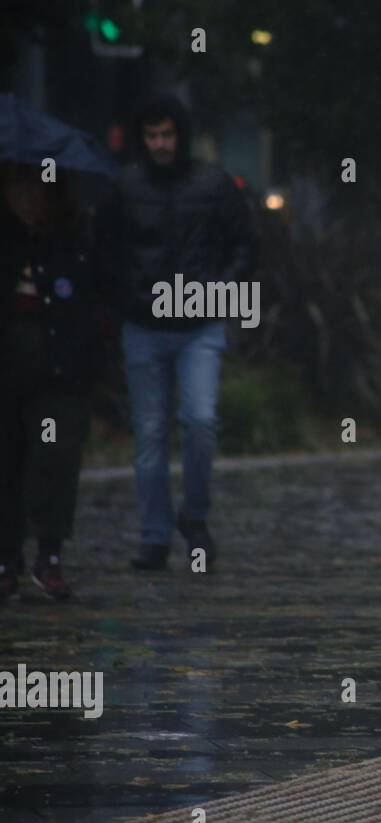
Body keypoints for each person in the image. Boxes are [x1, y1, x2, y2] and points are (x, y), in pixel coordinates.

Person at [101, 94, 257, 571]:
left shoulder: (212, 185)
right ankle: (155, 534)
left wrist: (217, 292)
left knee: (199, 421)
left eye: (166, 135)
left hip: (198, 323)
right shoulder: (124, 188)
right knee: (150, 433)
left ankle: (192, 517)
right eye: (152, 136)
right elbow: (107, 251)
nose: (161, 144)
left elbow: (244, 246)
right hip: (146, 324)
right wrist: (131, 299)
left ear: (180, 135)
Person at [0, 162, 108, 601]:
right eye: (16, 191)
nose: (27, 201)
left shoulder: (74, 236)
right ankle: (7, 556)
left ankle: (50, 552)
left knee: (56, 456)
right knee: (7, 461)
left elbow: (99, 292)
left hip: (61, 371)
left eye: (35, 191)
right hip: (9, 371)